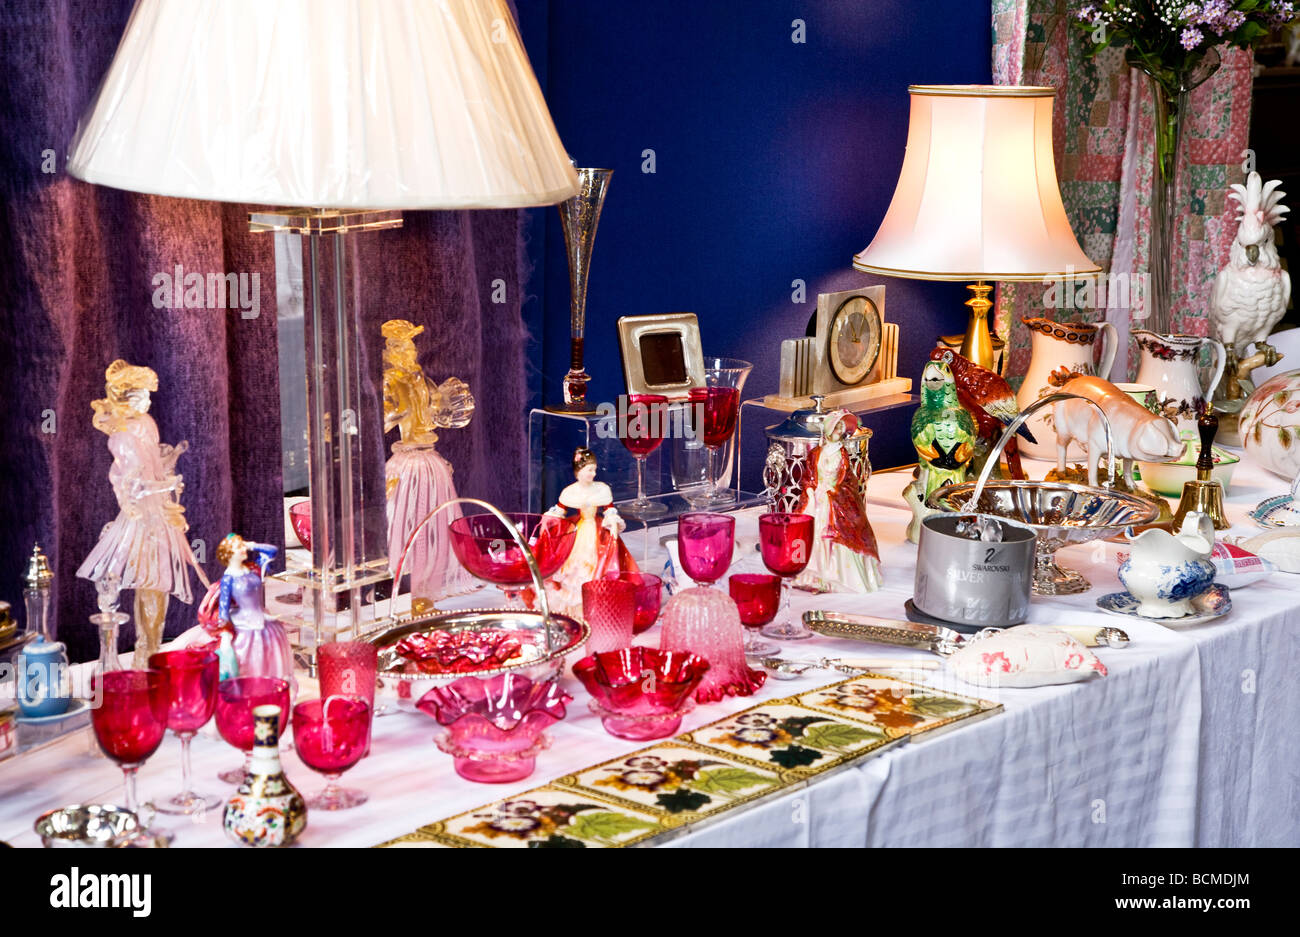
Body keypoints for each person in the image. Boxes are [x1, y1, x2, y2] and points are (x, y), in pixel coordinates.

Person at [77, 359, 207, 667]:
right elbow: (132, 488)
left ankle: (149, 655)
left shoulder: (147, 424)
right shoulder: (120, 438)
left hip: (158, 519)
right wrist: (164, 486)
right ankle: (134, 658)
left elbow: (153, 468)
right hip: (138, 521)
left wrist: (168, 463)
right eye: (138, 396)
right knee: (140, 583)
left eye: (148, 395)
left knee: (158, 587)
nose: (146, 402)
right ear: (122, 400)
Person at [794, 410, 882, 593]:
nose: (839, 432)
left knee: (835, 532)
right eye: (836, 428)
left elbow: (847, 480)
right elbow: (808, 476)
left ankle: (833, 575)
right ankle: (813, 574)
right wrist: (811, 491)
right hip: (816, 498)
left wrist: (835, 492)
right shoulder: (816, 453)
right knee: (810, 531)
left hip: (834, 498)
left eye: (842, 429)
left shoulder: (842, 455)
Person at [545, 448, 638, 618]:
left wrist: (612, 521)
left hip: (595, 529)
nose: (593, 473)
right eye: (589, 470)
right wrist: (550, 519)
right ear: (579, 471)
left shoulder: (601, 489)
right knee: (574, 564)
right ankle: (575, 605)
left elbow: (610, 510)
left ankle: (597, 600)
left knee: (599, 560)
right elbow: (559, 510)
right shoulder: (570, 491)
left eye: (594, 469)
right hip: (579, 530)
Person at [209, 533, 294, 692]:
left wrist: (251, 545)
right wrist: (226, 637)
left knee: (272, 658)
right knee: (250, 660)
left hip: (264, 620)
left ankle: (272, 690)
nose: (242, 549)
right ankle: (253, 691)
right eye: (237, 547)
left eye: (242, 545)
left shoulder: (252, 568)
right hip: (245, 625)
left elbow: (272, 551)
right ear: (228, 553)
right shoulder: (228, 579)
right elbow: (223, 610)